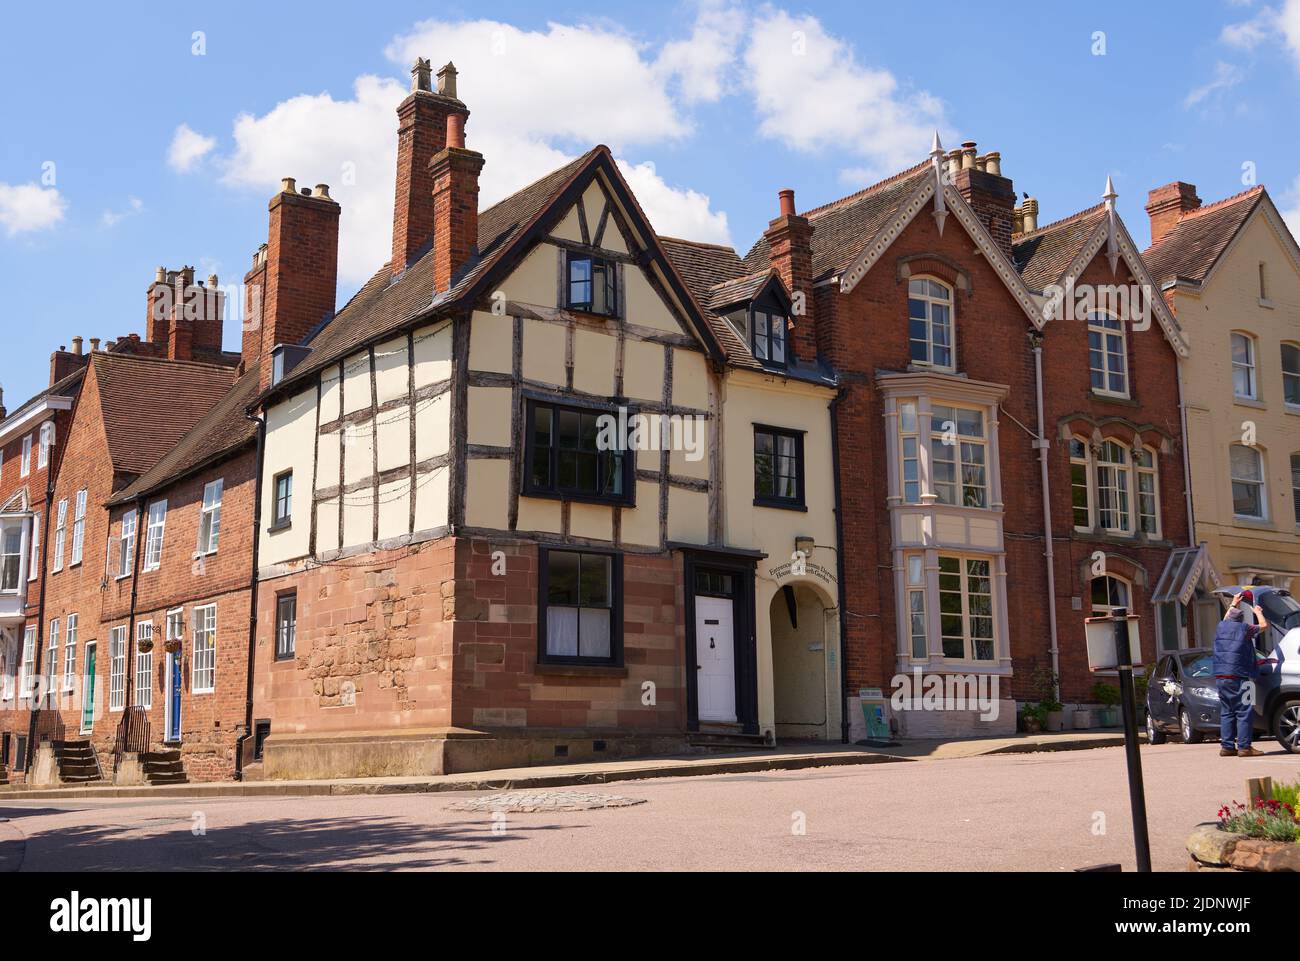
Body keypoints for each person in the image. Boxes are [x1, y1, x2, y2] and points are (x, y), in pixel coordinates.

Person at [1213, 590, 1268, 757]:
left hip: (1221, 677)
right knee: (1245, 711)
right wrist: (1258, 612)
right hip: (1241, 676)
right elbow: (1264, 626)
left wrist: (1233, 603)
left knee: (1227, 711)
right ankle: (1245, 747)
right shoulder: (1244, 629)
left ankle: (1227, 747)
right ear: (1240, 620)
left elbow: (1225, 618)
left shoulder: (1221, 626)